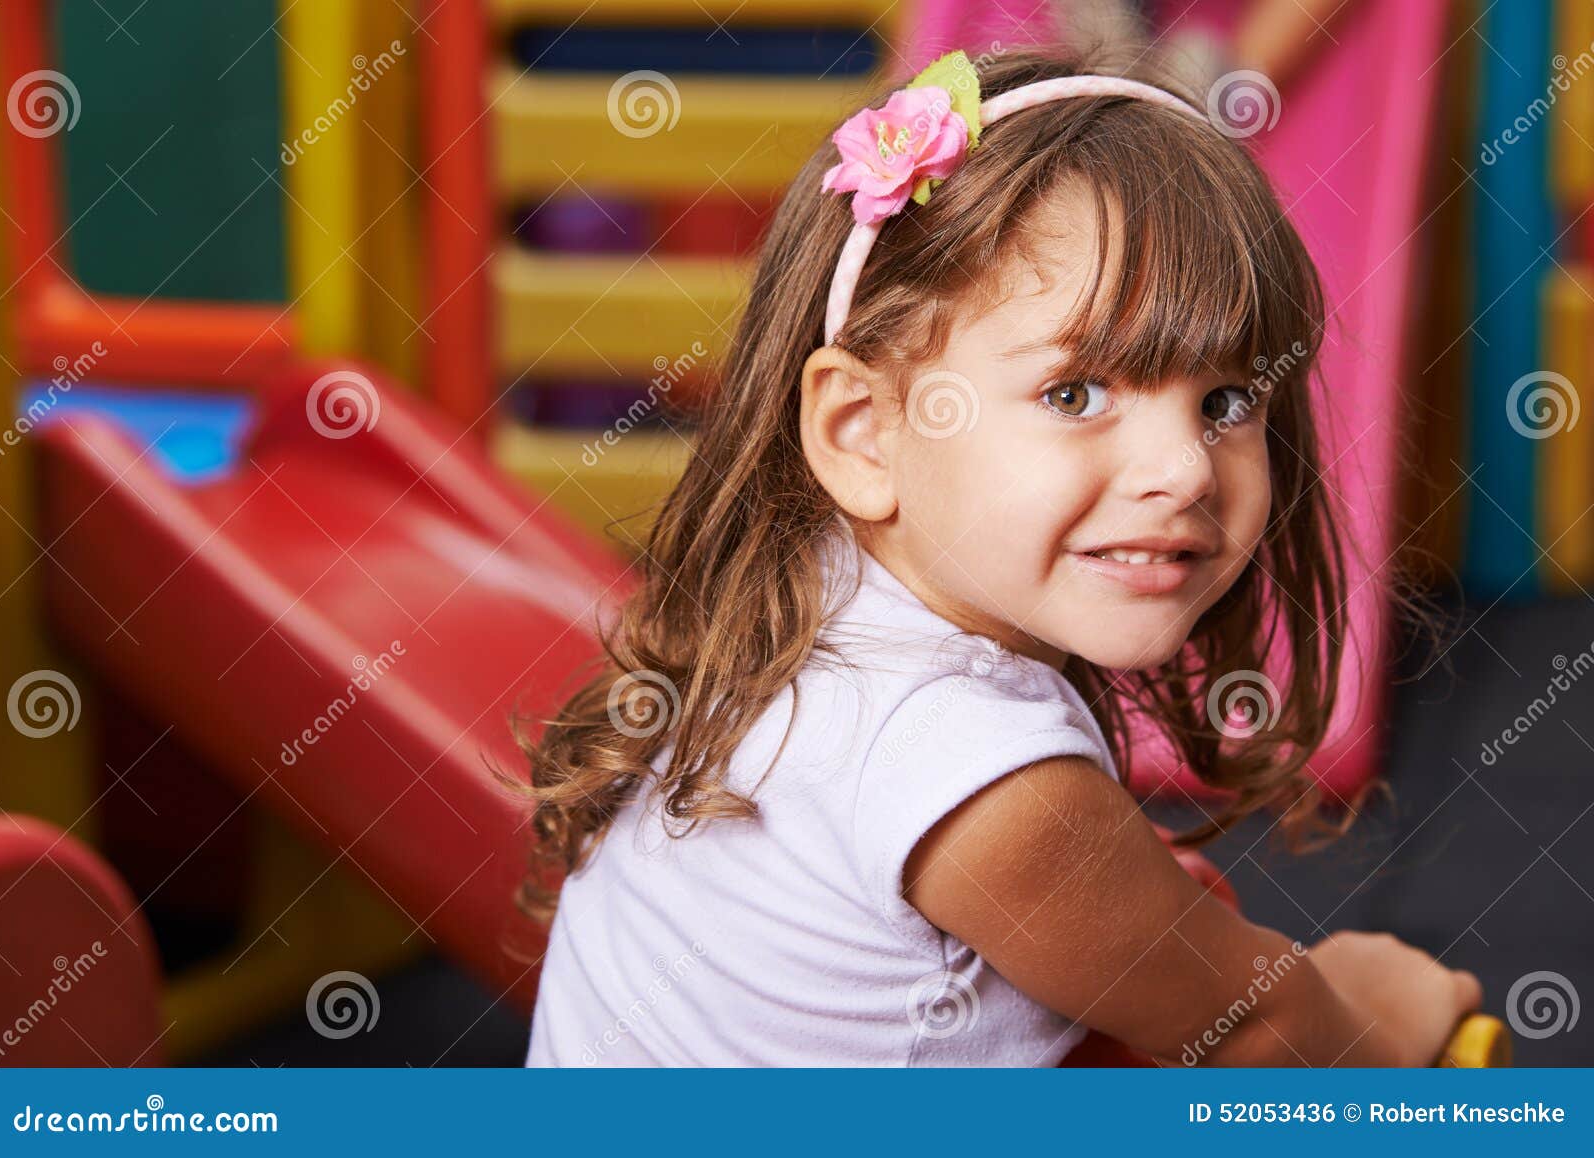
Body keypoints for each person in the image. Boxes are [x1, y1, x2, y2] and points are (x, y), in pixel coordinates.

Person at [514, 45, 1481, 1066]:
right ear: (862, 432)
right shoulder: (979, 780)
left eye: (1225, 401)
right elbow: (1257, 1035)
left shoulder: (799, 602)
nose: (1184, 470)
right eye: (1075, 394)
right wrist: (1378, 1007)